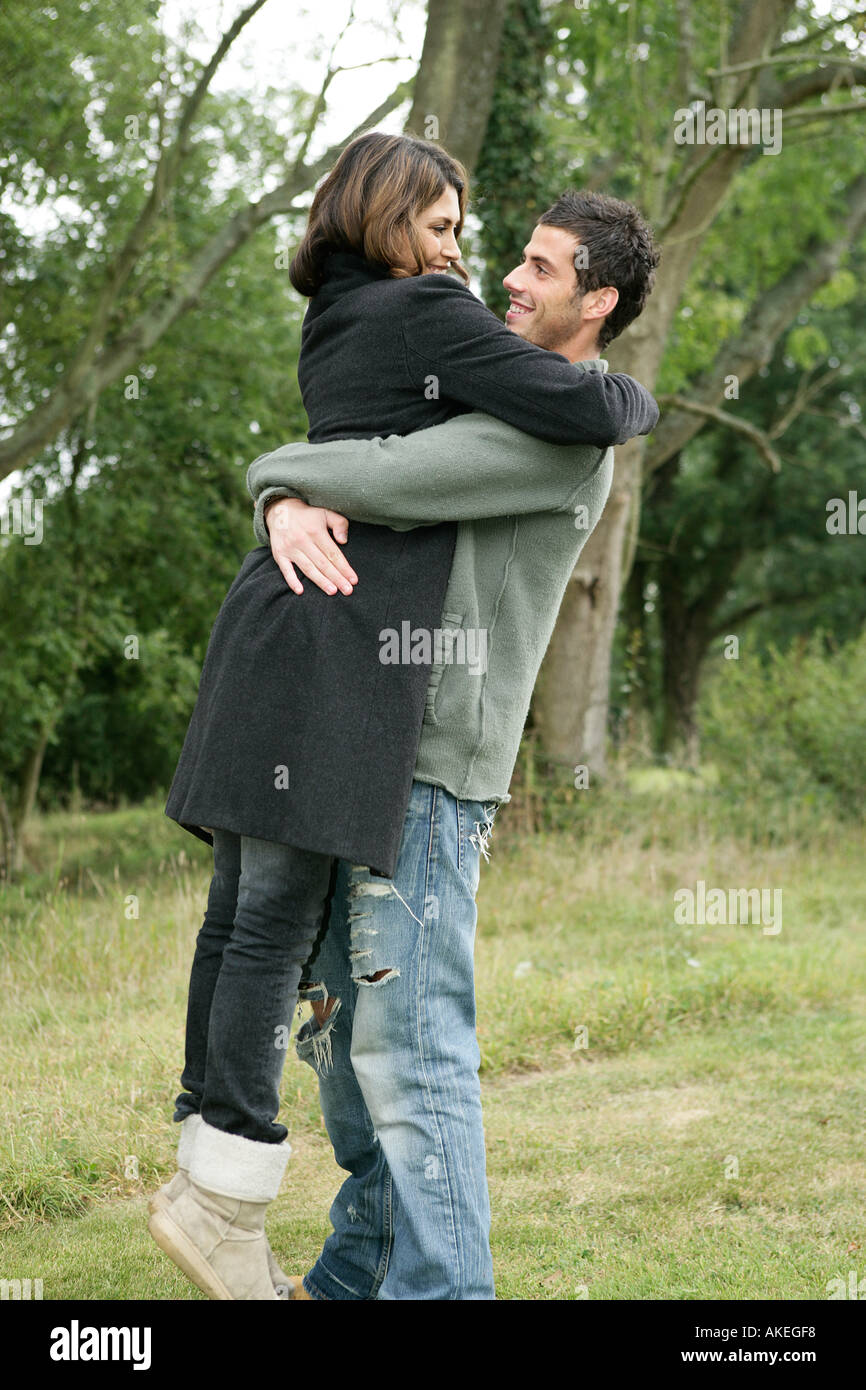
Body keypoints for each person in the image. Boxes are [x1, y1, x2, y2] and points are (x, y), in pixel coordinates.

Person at [151, 132, 658, 1303]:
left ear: (597, 299)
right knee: (346, 1051)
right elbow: (372, 459)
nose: (500, 279)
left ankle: (441, 1291)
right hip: (362, 748)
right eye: (506, 256)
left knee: (409, 1051)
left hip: (430, 772)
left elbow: (383, 472)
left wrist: (278, 477)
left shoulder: (552, 435)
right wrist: (291, 492)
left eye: (538, 266)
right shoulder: (478, 375)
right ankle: (351, 1276)